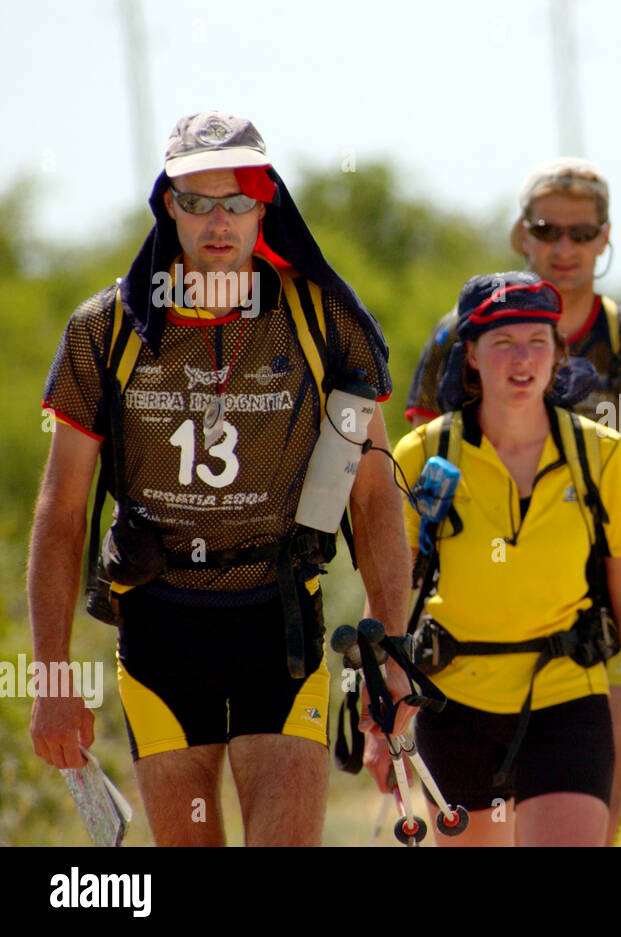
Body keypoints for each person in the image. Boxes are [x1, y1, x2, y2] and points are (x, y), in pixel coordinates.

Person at [29, 111, 414, 846]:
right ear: (167, 205)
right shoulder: (103, 329)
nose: (218, 221)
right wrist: (51, 679)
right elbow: (62, 510)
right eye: (197, 200)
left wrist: (389, 651)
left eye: (237, 201)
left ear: (265, 203)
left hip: (279, 624)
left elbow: (372, 494)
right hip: (159, 628)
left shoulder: (322, 317)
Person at [404, 158, 621, 842]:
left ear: (604, 239)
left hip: (594, 632)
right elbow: (420, 515)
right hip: (466, 649)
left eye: (582, 231)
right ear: (522, 235)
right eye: (547, 229)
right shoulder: (456, 334)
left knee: (596, 822)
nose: (564, 246)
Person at [383, 271, 621, 846]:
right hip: (452, 699)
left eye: (538, 341)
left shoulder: (601, 455)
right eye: (502, 342)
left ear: (559, 354)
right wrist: (380, 700)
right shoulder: (423, 453)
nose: (522, 358)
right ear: (471, 358)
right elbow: (391, 585)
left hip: (566, 695)